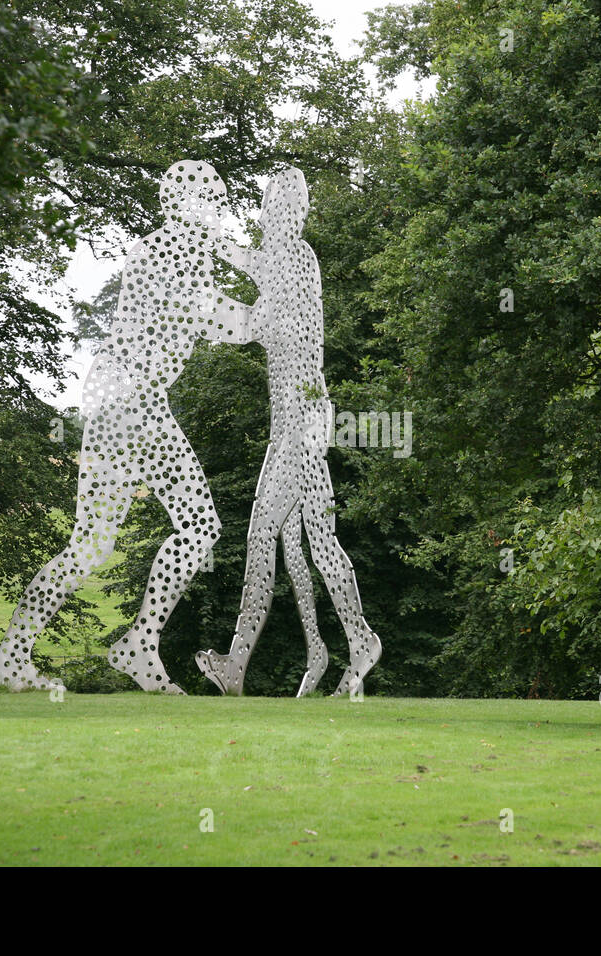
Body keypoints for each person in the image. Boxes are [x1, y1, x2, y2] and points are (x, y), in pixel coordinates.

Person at [0, 160, 253, 693]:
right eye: (212, 201)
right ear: (184, 204)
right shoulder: (164, 252)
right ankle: (104, 647)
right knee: (166, 531)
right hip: (129, 405)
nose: (219, 212)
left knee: (110, 541)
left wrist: (252, 272)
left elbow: (220, 311)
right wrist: (276, 312)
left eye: (220, 201)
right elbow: (224, 320)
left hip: (133, 402)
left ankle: (92, 649)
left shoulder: (185, 252)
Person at [196, 168, 381, 697]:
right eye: (266, 206)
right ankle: (339, 644)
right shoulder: (283, 260)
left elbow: (255, 324)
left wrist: (200, 304)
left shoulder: (296, 257)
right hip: (291, 426)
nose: (265, 215)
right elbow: (250, 273)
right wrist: (208, 239)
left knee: (288, 538)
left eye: (274, 206)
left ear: (289, 212)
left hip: (302, 423)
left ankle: (347, 642)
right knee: (293, 542)